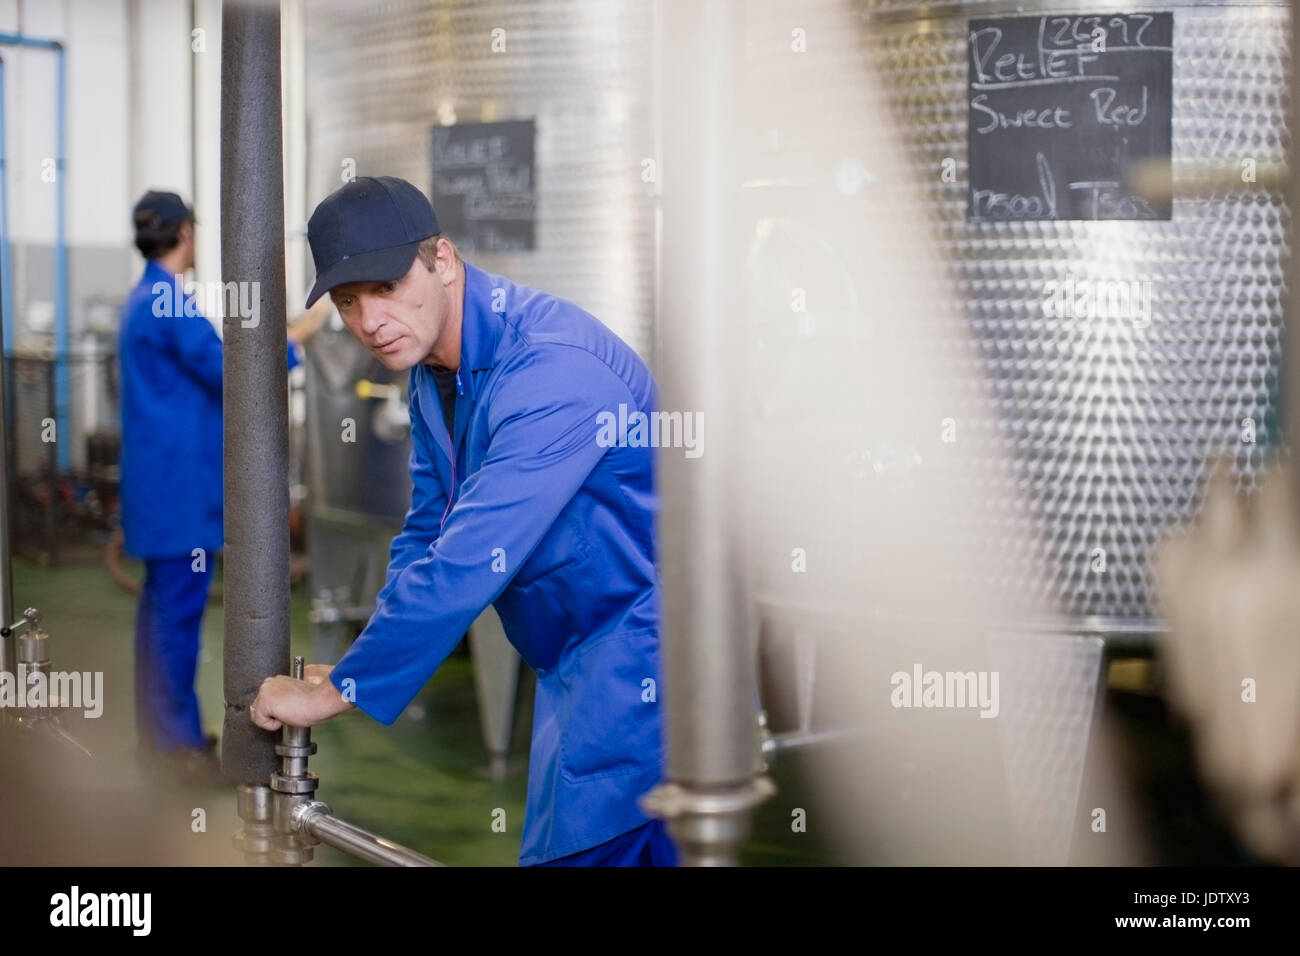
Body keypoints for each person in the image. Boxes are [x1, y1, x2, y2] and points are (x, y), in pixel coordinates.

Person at [250, 175, 676, 866]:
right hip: (577, 659)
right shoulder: (433, 375)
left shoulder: (552, 372)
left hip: (646, 660)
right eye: (349, 302)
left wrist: (338, 689)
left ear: (441, 260)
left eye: (385, 287)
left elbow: (470, 555)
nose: (370, 321)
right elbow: (426, 530)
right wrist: (365, 660)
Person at [119, 190, 327, 785]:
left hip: (162, 491)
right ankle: (176, 749)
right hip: (179, 495)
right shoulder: (166, 304)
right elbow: (232, 367)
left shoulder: (145, 300)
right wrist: (299, 336)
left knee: (161, 617)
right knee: (176, 622)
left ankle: (160, 740)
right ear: (185, 234)